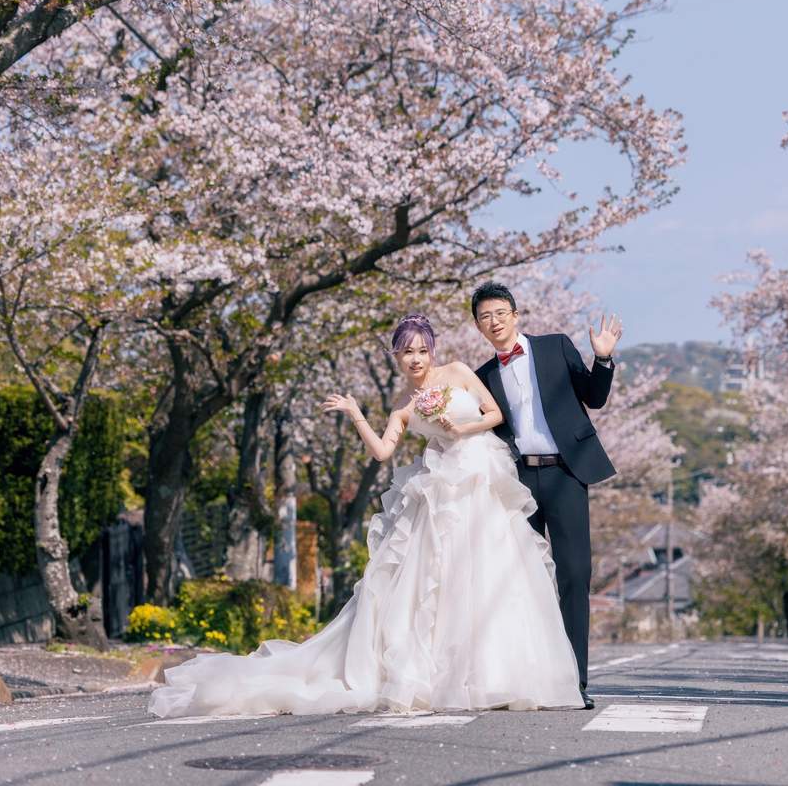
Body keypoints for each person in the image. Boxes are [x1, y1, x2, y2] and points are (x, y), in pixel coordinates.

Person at [147, 313, 584, 717]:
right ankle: (449, 676)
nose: (415, 359)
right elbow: (381, 452)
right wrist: (357, 414)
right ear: (396, 357)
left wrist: (460, 429)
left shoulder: (458, 373)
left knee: (494, 575)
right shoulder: (404, 408)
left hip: (481, 479)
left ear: (431, 350)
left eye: (421, 350)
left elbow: (495, 413)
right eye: (406, 352)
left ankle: (500, 673)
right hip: (441, 489)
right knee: (440, 580)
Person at [471, 281, 621, 709]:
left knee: (575, 574)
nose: (494, 322)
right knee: (521, 581)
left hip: (566, 474)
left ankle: (575, 682)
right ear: (479, 326)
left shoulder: (555, 347)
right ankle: (528, 678)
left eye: (501, 312)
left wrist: (603, 357)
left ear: (516, 314)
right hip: (518, 482)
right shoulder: (482, 377)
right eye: (485, 317)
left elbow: (594, 397)